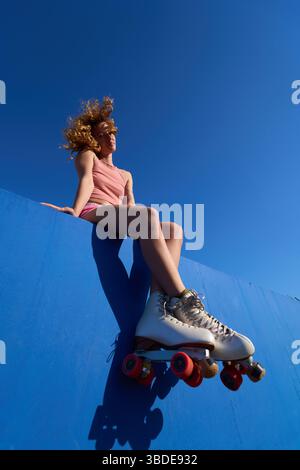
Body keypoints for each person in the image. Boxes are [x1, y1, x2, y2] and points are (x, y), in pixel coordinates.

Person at [41, 97, 256, 366]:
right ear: (92, 137)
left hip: (119, 218)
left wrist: (141, 222)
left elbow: (129, 204)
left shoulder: (126, 174)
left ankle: (157, 311)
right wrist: (74, 211)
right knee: (148, 214)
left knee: (174, 229)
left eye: (113, 131)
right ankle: (184, 302)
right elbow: (86, 182)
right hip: (94, 212)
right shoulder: (88, 157)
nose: (111, 135)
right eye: (104, 131)